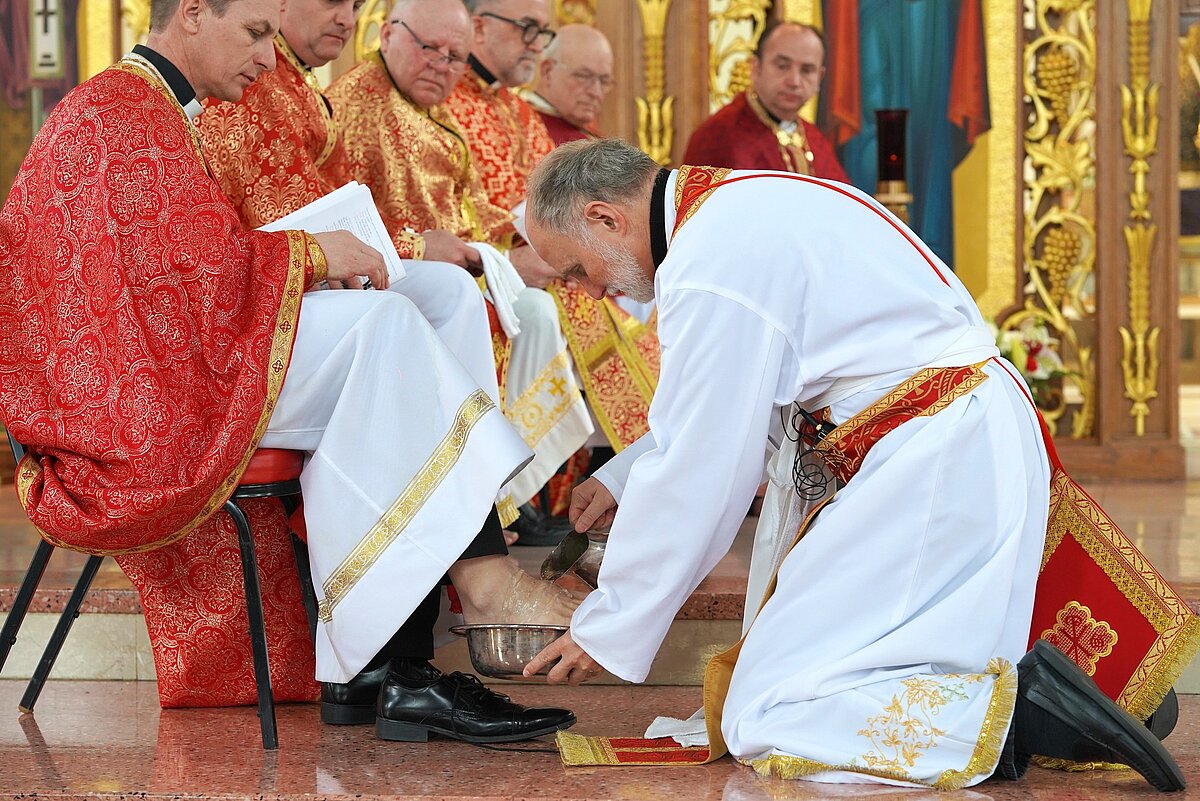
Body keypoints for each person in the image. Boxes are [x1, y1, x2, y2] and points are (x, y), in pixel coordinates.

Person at [519, 139, 1190, 791]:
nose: (592, 292)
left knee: (772, 712)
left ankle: (1031, 713)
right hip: (943, 433)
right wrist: (622, 476)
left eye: (576, 270)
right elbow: (742, 404)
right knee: (842, 667)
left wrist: (612, 622)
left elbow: (703, 466)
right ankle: (1085, 695)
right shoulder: (736, 203)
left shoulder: (707, 262)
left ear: (604, 218)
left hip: (928, 456)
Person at [0, 0, 578, 744]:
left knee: (440, 293)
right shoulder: (120, 114)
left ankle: (430, 603)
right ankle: (418, 633)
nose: (270, 58)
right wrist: (308, 254)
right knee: (385, 327)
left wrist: (313, 255)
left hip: (187, 351)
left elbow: (184, 268)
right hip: (144, 396)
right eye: (254, 33)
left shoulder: (155, 106)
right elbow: (176, 284)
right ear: (193, 13)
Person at [193, 0, 580, 732]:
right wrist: (384, 246)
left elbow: (326, 212)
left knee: (449, 295)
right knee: (394, 328)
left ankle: (455, 551)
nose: (345, 17)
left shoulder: (294, 83)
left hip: (283, 293)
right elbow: (264, 227)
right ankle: (434, 622)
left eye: (353, 3)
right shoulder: (249, 83)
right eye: (328, 2)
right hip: (232, 338)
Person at [443, 0, 660, 506]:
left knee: (632, 322)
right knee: (552, 315)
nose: (536, 46)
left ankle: (604, 482)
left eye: (543, 32)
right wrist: (507, 258)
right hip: (492, 269)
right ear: (479, 27)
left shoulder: (518, 113)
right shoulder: (446, 104)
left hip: (548, 264)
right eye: (528, 29)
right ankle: (515, 497)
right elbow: (451, 211)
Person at [683, 22, 847, 181]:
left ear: (820, 77)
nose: (794, 81)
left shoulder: (815, 140)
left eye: (807, 70)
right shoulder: (718, 136)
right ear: (755, 67)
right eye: (782, 66)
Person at [521, 24, 613, 144]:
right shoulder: (521, 130)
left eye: (604, 81)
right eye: (583, 76)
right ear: (548, 71)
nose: (596, 93)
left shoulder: (590, 138)